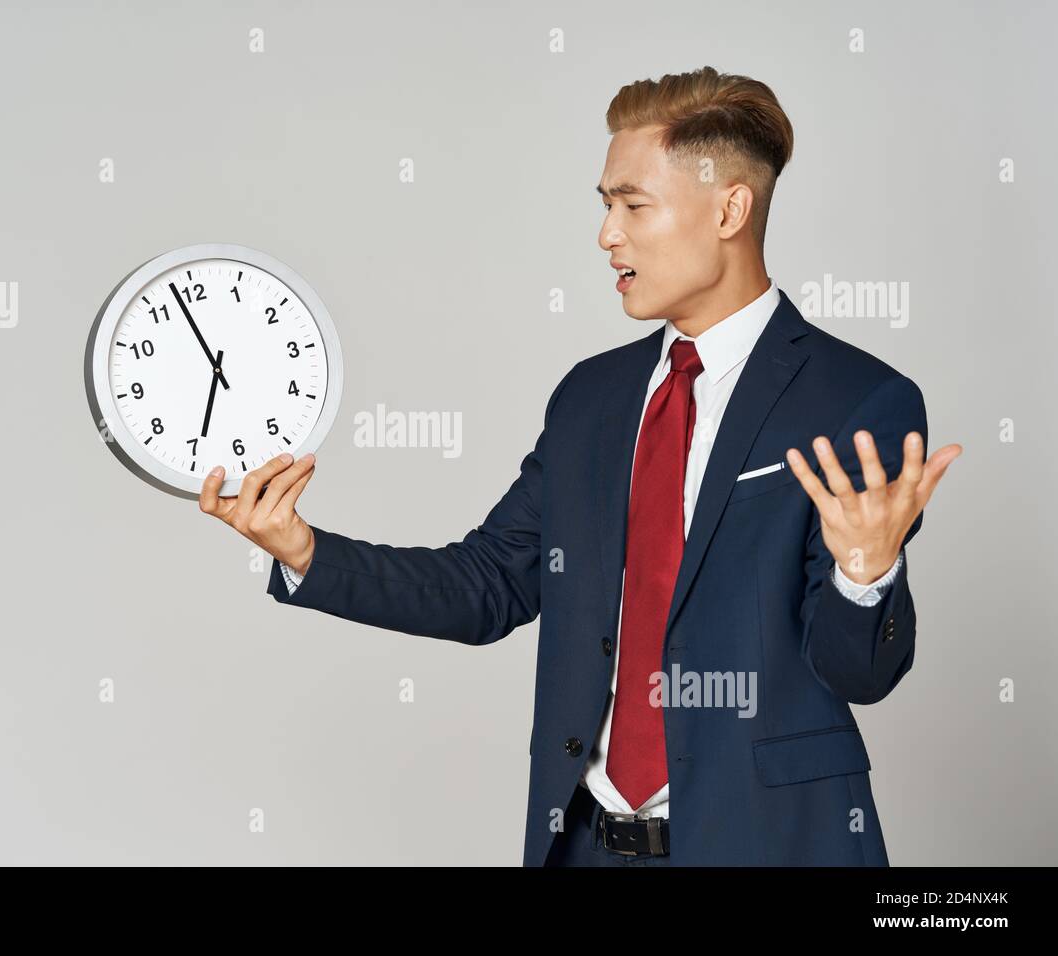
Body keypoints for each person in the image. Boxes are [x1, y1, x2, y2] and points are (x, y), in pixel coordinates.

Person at [197, 66, 961, 866]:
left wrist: (867, 572)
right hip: (585, 846)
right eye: (605, 206)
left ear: (730, 208)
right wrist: (303, 550)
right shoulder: (591, 399)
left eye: (633, 205)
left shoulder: (855, 400)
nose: (607, 235)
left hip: (768, 846)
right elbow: (487, 585)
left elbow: (860, 674)